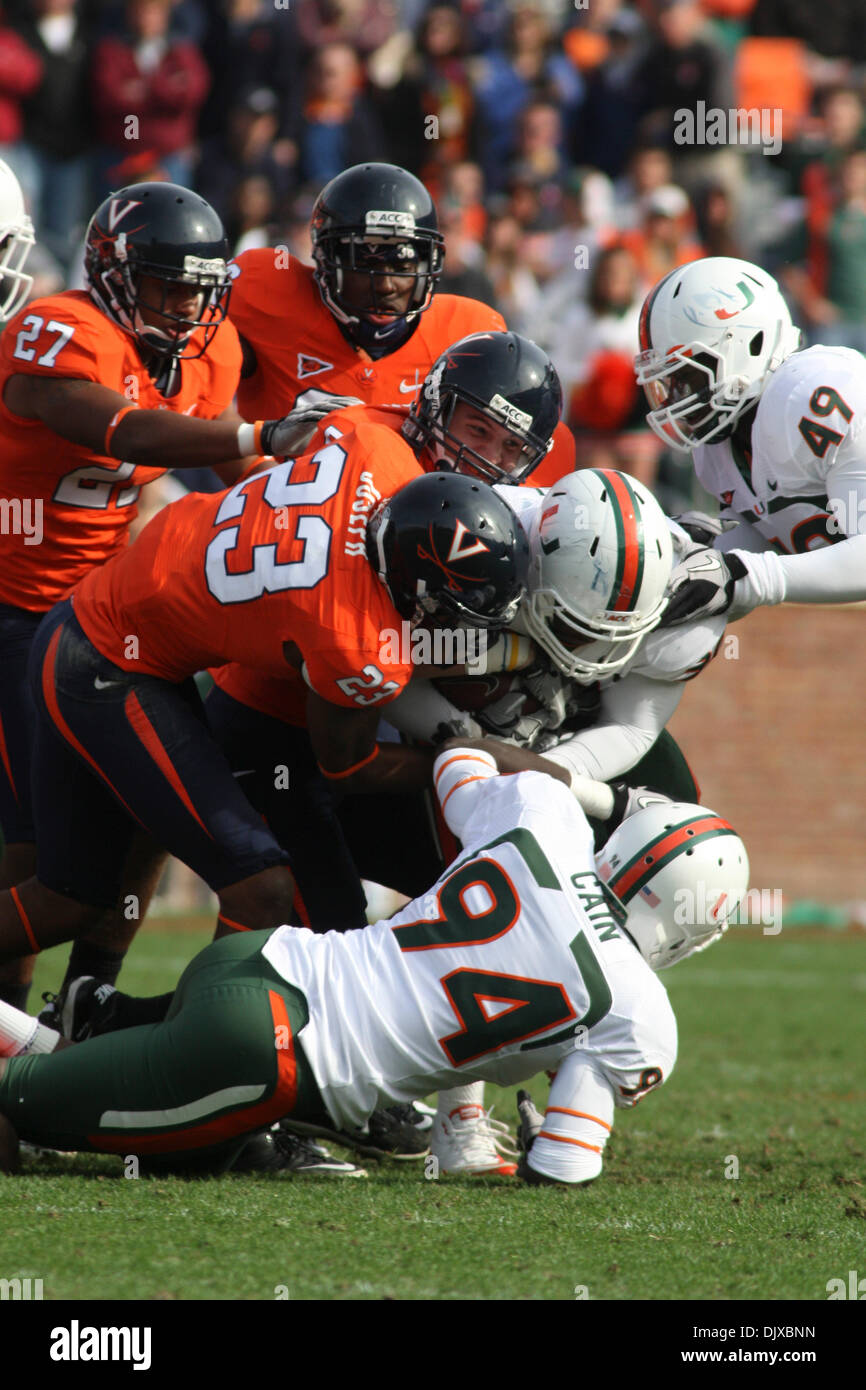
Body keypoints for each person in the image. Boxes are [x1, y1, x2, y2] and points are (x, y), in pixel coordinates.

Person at [0, 745, 750, 1184]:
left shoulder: (544, 819)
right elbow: (563, 1166)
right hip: (270, 1055)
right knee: (23, 1112)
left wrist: (585, 789)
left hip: (265, 957)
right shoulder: (639, 1014)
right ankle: (80, 1062)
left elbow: (461, 761)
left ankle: (100, 1022)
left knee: (92, 1080)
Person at [0, 180, 280, 1014]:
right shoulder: (57, 329)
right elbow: (123, 430)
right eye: (169, 282)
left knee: (148, 810)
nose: (189, 303)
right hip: (11, 609)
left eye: (201, 286)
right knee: (33, 855)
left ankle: (87, 1000)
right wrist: (258, 435)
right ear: (116, 274)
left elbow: (242, 474)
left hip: (95, 622)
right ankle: (10, 1038)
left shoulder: (209, 350)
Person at [632, 255, 866, 625]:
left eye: (687, 378)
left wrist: (746, 576)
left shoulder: (814, 396)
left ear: (747, 345)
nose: (676, 400)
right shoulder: (719, 444)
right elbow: (761, 541)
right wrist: (697, 554)